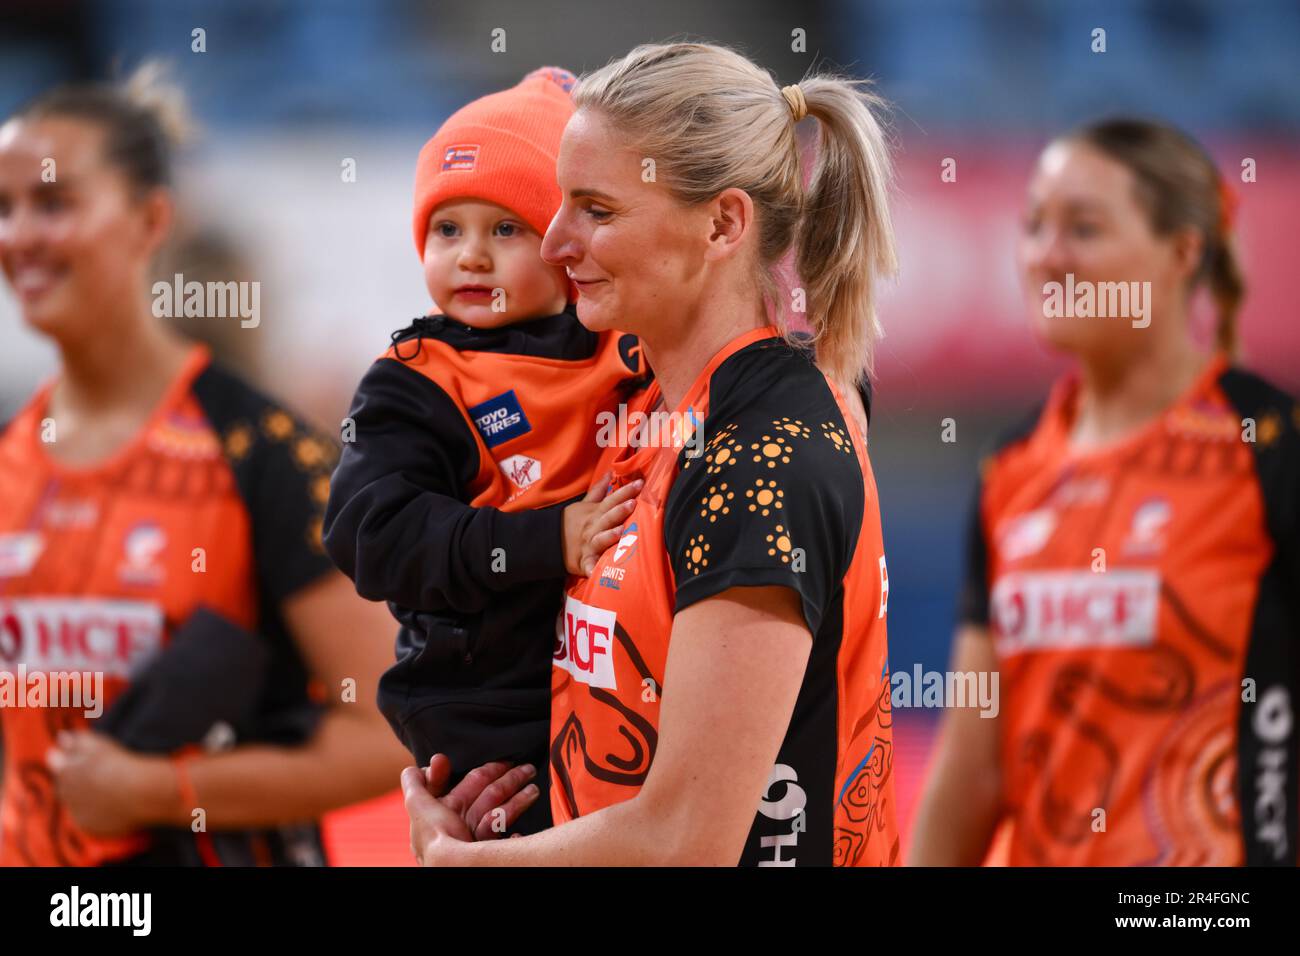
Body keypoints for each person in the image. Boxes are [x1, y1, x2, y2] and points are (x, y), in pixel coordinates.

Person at [402, 41, 901, 866]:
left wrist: (460, 862)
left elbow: (685, 841)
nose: (555, 242)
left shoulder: (760, 458)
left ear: (723, 223)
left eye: (596, 210)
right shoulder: (658, 415)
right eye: (561, 203)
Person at [0, 65, 427, 865]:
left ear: (148, 219)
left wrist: (163, 792)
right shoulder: (12, 457)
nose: (19, 235)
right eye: (5, 207)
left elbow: (391, 731)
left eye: (53, 204)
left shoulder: (260, 454)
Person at [908, 118, 1299, 866]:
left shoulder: (1269, 445)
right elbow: (973, 766)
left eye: (1083, 229)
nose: (1045, 256)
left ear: (1183, 252)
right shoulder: (1012, 468)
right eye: (1033, 227)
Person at [322, 66, 646, 837]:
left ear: (566, 241)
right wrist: (547, 540)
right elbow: (368, 535)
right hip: (481, 708)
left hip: (615, 678)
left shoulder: (627, 342)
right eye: (447, 229)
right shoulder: (414, 382)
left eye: (506, 229)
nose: (471, 256)